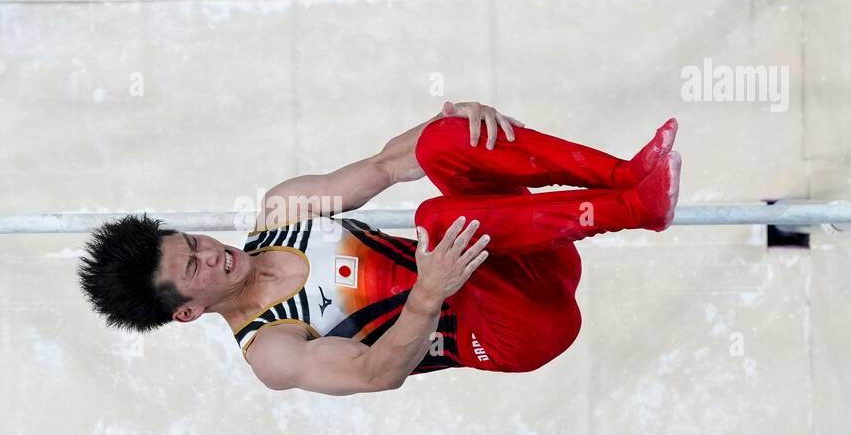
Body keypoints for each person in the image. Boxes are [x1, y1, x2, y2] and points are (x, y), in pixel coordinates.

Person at [79, 102, 680, 395]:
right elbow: (376, 373)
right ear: (186, 310)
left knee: (442, 142)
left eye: (193, 241)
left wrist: (457, 125)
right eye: (193, 267)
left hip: (524, 251)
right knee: (437, 224)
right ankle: (635, 210)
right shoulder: (271, 349)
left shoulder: (282, 211)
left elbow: (388, 164)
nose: (211, 252)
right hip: (509, 329)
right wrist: (429, 294)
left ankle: (626, 177)